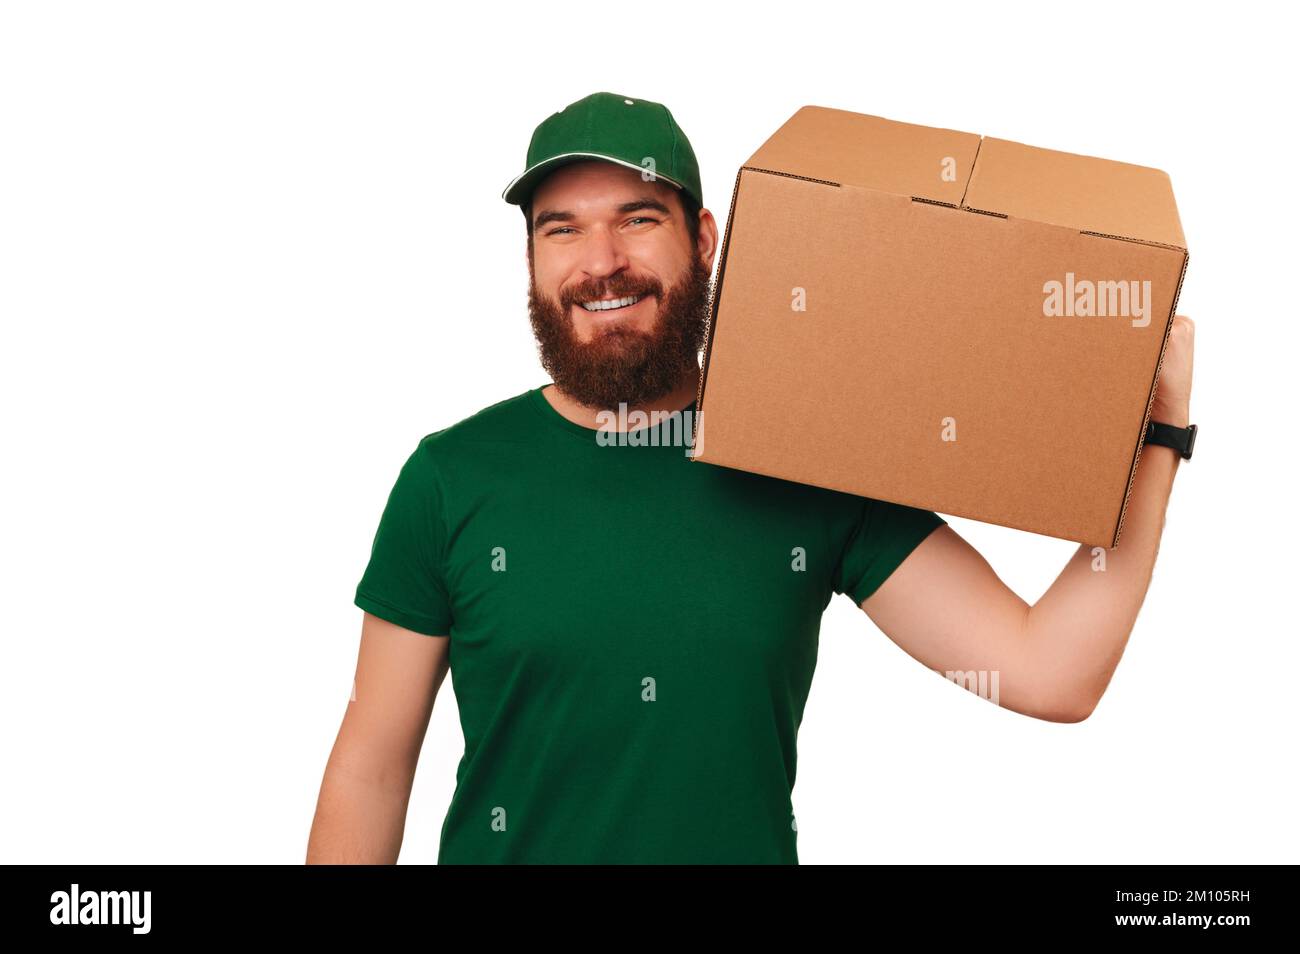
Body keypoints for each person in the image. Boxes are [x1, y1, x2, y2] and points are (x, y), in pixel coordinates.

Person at [307, 91, 1196, 864]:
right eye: (561, 229)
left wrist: (1158, 435)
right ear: (534, 262)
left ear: (704, 237)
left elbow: (1046, 673)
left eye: (638, 218)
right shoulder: (450, 478)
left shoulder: (807, 459)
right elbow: (372, 767)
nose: (600, 259)